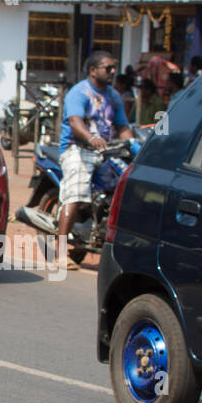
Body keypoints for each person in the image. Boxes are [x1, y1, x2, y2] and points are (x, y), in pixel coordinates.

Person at [57, 50, 134, 270]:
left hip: (105, 151)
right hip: (77, 149)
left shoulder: (113, 95)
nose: (112, 72)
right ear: (93, 70)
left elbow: (122, 126)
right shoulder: (79, 92)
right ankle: (61, 254)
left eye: (113, 68)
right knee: (77, 192)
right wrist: (91, 138)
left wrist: (134, 145)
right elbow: (74, 121)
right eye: (107, 68)